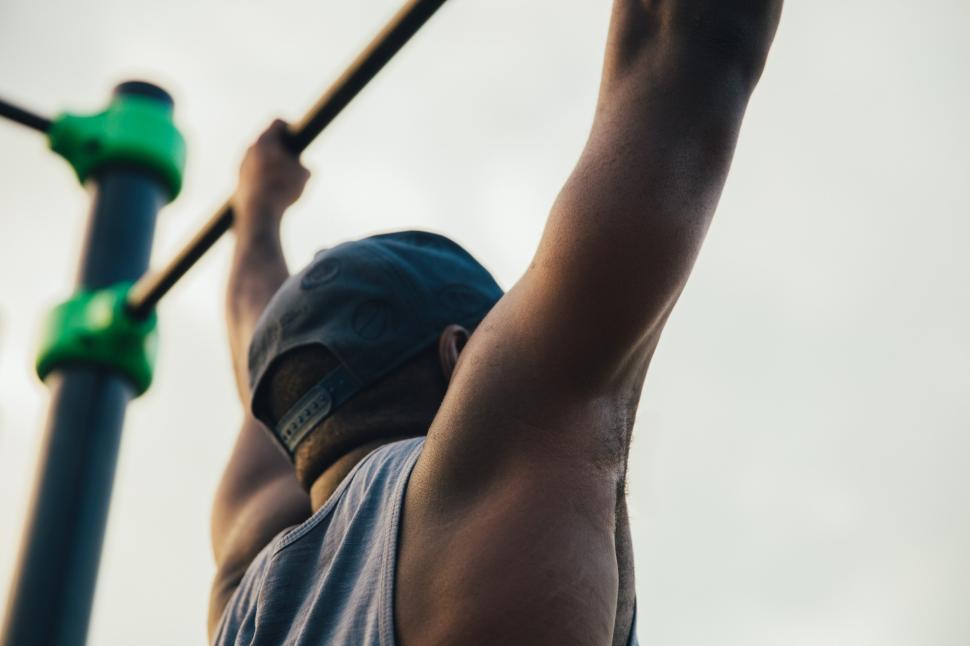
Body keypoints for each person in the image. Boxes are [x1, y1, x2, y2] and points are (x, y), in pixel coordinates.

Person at [208, 1, 783, 644]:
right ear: (460, 354)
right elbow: (679, 59)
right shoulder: (495, 465)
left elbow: (262, 353)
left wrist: (253, 211)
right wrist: (260, 205)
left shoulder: (246, 597)